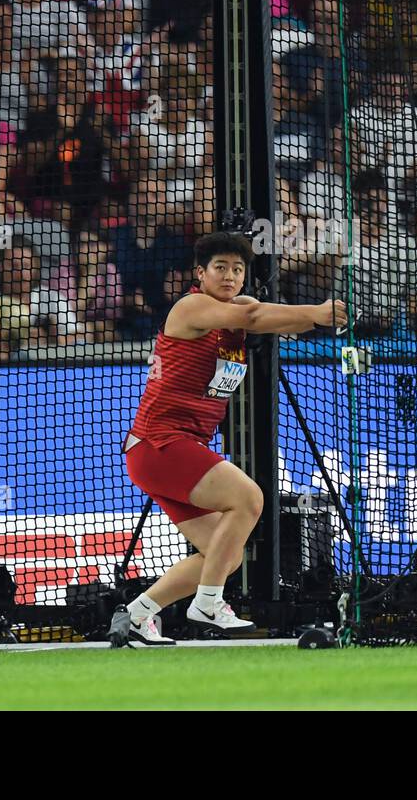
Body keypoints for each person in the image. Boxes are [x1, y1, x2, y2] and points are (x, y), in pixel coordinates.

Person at [109, 230, 347, 646]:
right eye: (220, 267)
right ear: (200, 273)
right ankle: (208, 604)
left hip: (167, 451)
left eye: (238, 269)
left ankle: (136, 614)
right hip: (160, 444)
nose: (230, 276)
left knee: (224, 554)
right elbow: (256, 318)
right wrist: (318, 309)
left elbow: (270, 316)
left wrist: (321, 316)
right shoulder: (192, 307)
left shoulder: (236, 313)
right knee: (249, 498)